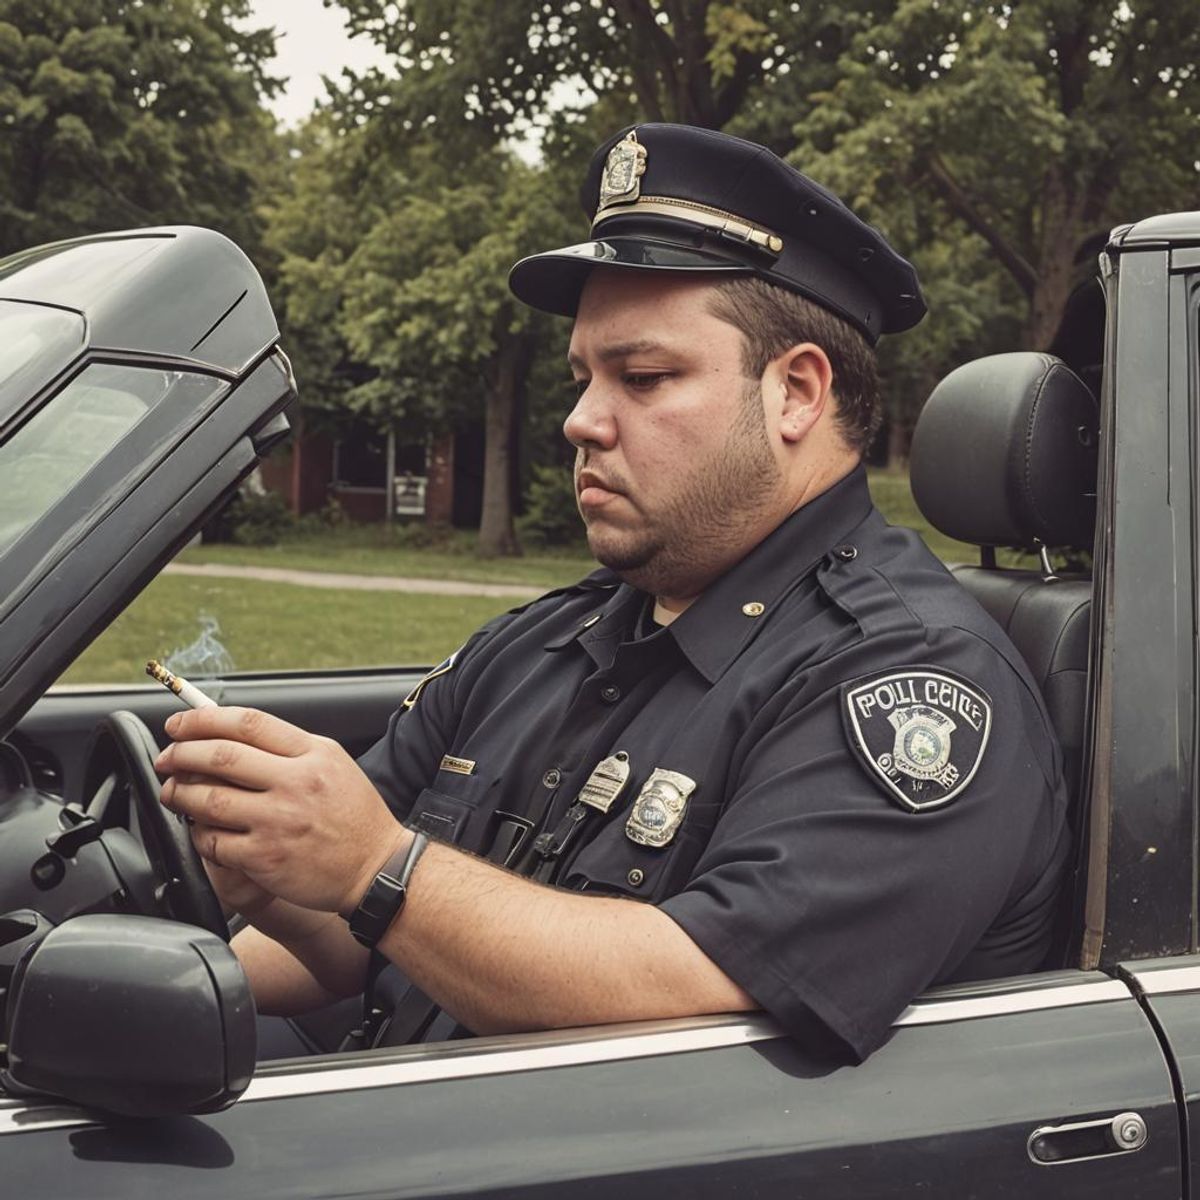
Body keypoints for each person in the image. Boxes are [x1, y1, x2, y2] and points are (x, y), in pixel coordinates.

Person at [155, 123, 1069, 1063]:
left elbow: (694, 990)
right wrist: (271, 880)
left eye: (642, 377)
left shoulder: (915, 683)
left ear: (796, 392)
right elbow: (349, 942)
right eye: (584, 377)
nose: (581, 420)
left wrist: (375, 867)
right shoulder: (544, 644)